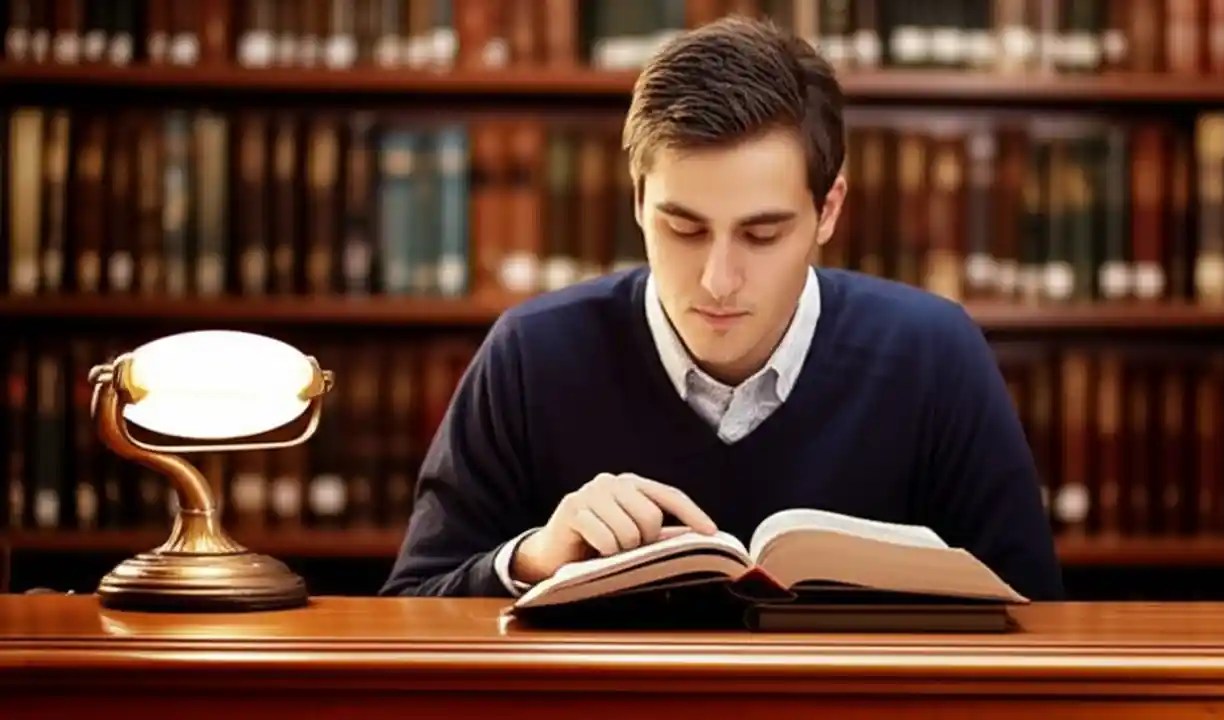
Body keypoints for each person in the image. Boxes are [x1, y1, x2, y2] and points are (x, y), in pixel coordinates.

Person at [380, 16, 1064, 601]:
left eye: (762, 234)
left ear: (829, 210)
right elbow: (408, 609)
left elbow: (1038, 619)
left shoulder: (936, 356)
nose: (717, 280)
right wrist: (533, 558)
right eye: (683, 228)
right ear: (638, 200)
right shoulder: (531, 354)